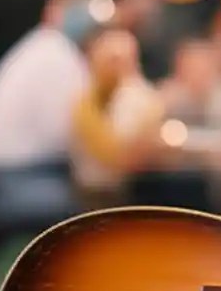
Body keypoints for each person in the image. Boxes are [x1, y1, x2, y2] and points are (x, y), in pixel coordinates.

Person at [0, 0, 102, 222]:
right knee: (107, 206)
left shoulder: (42, 47)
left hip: (4, 173)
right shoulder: (58, 55)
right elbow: (67, 136)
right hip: (18, 177)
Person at [70, 26, 166, 209]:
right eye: (113, 60)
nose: (119, 67)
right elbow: (115, 156)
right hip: (95, 194)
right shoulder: (84, 102)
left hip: (138, 188)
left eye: (126, 60)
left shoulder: (138, 95)